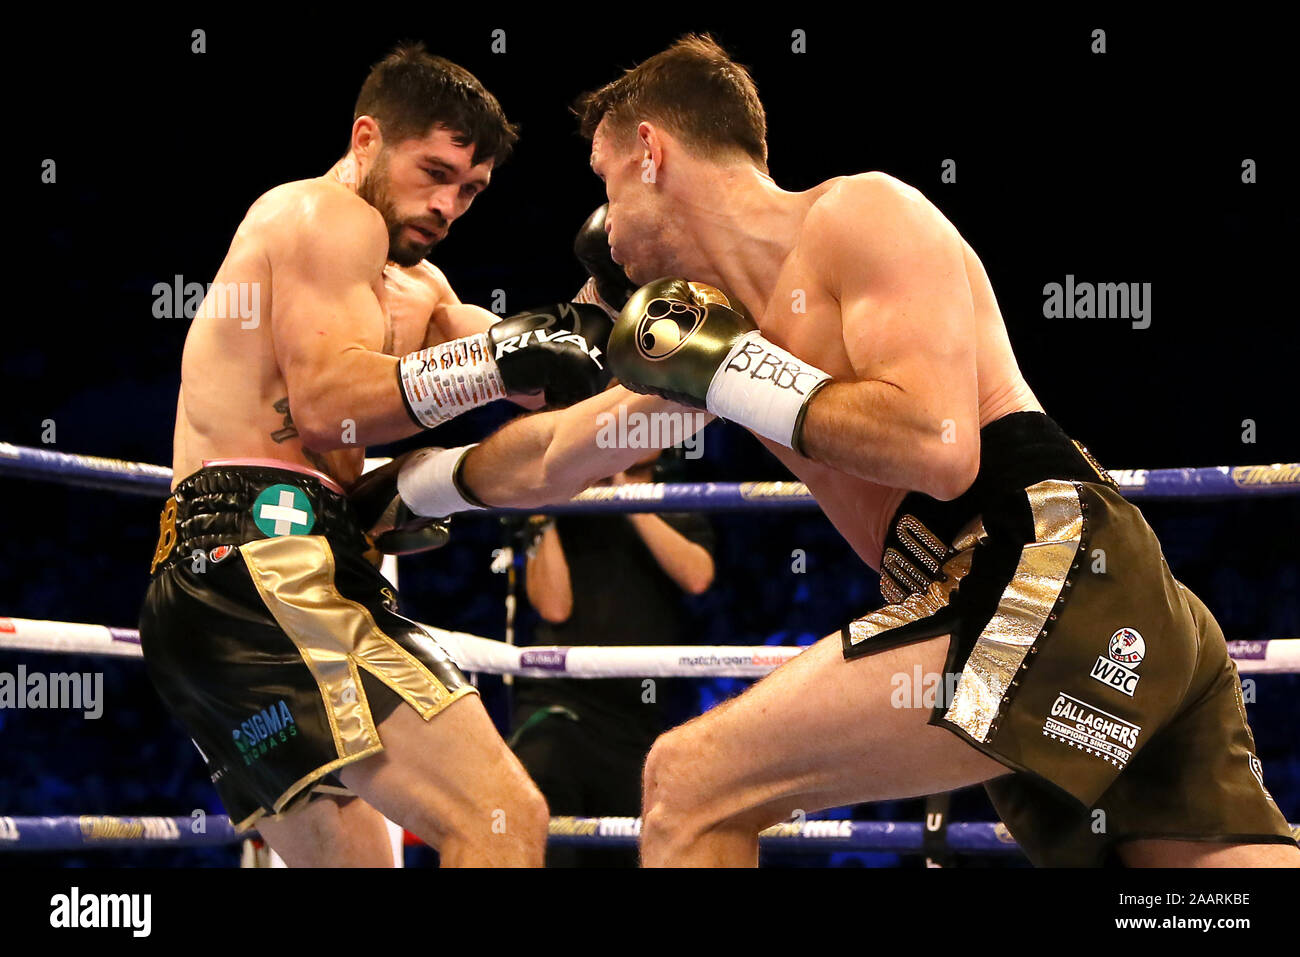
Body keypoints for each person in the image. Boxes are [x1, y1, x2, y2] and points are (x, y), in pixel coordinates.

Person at [386, 35, 1299, 867]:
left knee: (688, 779)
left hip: (1047, 561)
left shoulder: (858, 217)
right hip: (1071, 603)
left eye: (606, 182)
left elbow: (939, 448)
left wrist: (727, 373)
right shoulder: (710, 343)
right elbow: (553, 459)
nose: (606, 227)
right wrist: (411, 488)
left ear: (649, 152)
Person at [138, 42, 614, 867]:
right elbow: (326, 406)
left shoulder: (421, 289)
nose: (448, 205)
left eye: (469, 191)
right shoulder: (322, 216)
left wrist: (619, 313)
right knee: (502, 815)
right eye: (433, 171)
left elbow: (543, 373)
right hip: (263, 557)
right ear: (367, 138)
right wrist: (501, 362)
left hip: (230, 584)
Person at [510, 448, 714, 866]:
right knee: (543, 783)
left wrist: (623, 493)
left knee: (631, 847)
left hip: (639, 718)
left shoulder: (678, 502)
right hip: (562, 704)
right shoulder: (563, 507)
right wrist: (543, 508)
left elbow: (697, 576)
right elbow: (553, 607)